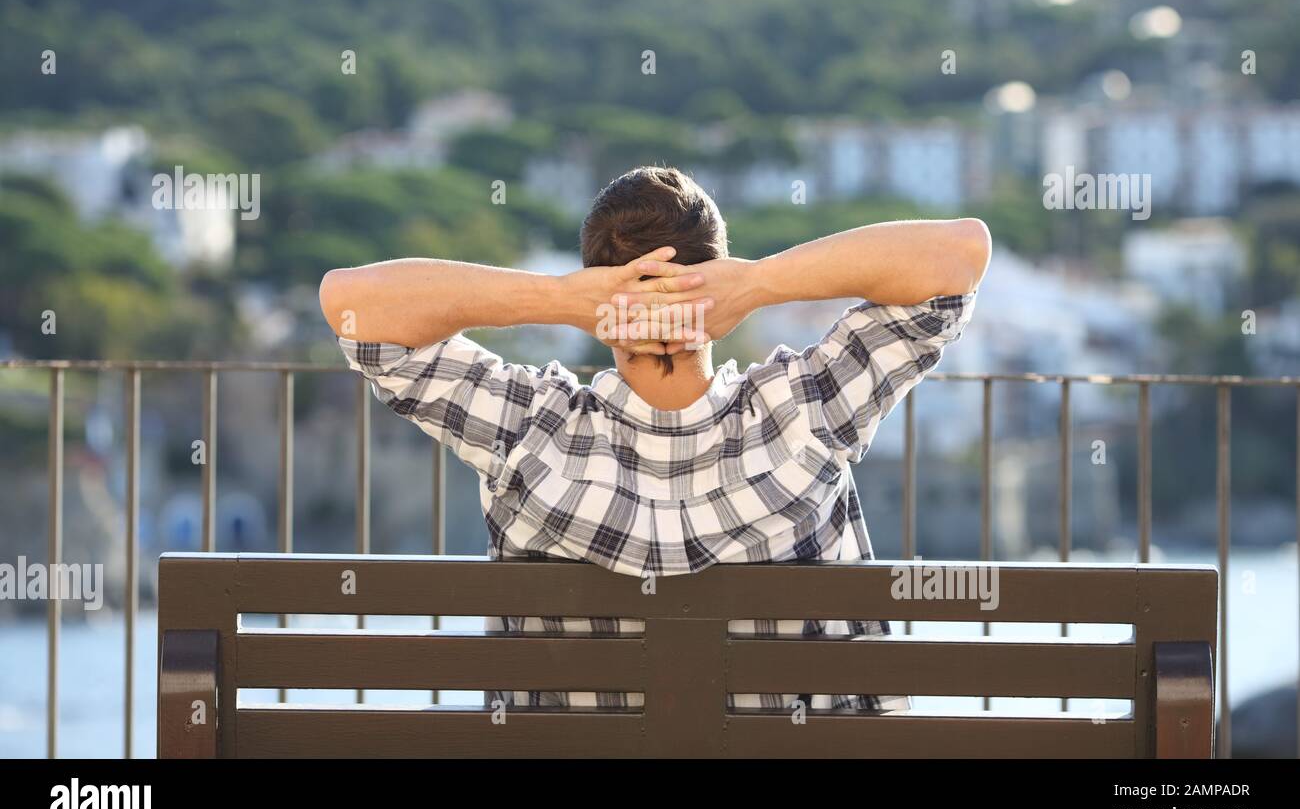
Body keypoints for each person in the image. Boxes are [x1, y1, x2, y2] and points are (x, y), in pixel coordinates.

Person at [320, 165, 991, 711]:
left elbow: (351, 302)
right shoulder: (805, 411)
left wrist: (560, 298)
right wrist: (759, 284)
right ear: (717, 284)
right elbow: (960, 254)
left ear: (597, 289)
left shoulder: (527, 428)